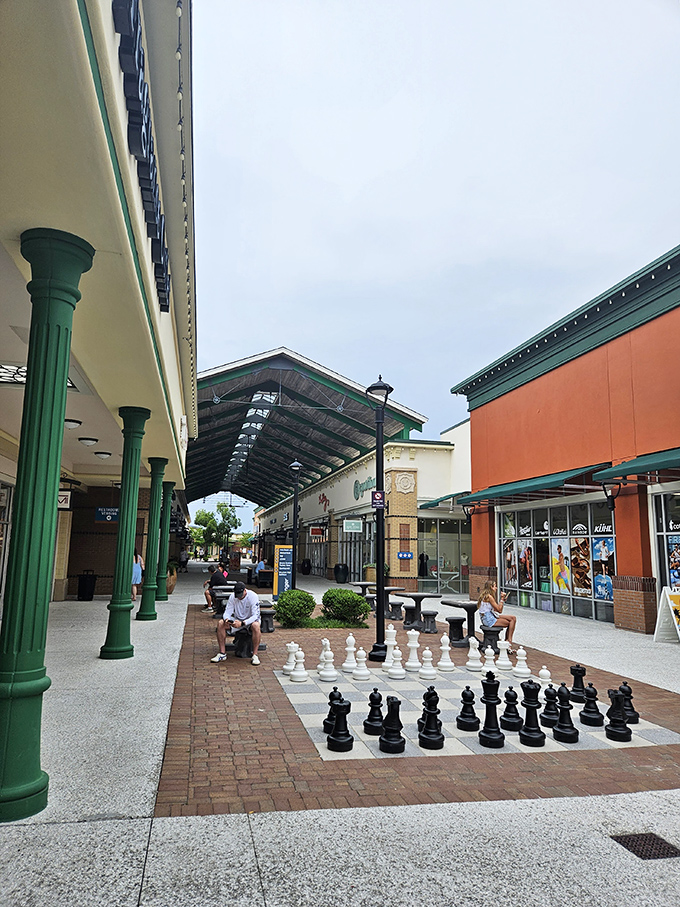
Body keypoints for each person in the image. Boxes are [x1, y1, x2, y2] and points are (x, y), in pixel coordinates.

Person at [211, 581, 262, 666]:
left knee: (256, 626)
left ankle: (255, 655)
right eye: (237, 595)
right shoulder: (233, 597)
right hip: (237, 620)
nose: (239, 597)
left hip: (249, 621)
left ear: (245, 591)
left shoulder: (253, 596)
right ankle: (222, 653)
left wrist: (242, 623)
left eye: (240, 595)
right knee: (221, 623)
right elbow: (227, 611)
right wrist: (227, 619)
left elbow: (255, 615)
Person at [476, 580, 517, 652]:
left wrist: (502, 600)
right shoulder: (489, 597)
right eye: (495, 586)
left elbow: (495, 610)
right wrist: (502, 600)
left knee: (513, 618)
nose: (496, 588)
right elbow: (499, 610)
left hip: (489, 615)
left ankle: (507, 641)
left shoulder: (486, 595)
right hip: (488, 619)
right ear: (491, 587)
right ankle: (508, 643)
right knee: (509, 622)